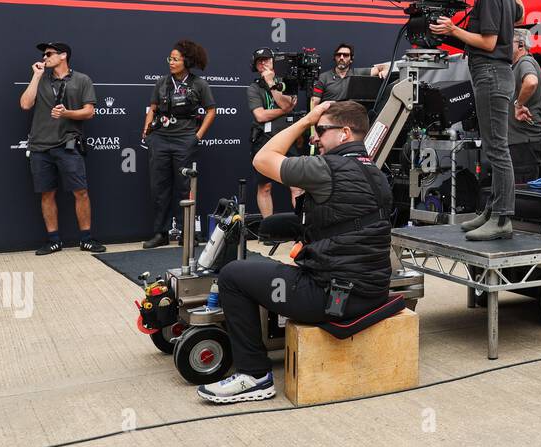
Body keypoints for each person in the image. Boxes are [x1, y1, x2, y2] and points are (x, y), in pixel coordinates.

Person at [199, 100, 392, 403]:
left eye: (320, 130)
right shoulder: (375, 173)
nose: (315, 137)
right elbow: (346, 224)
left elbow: (262, 159)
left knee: (233, 275)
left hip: (331, 297)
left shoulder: (325, 167)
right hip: (370, 290)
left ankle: (255, 375)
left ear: (344, 133)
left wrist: (304, 120)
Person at [429, 0, 523, 240]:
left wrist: (454, 28)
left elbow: (489, 42)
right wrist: (448, 34)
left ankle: (502, 218)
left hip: (492, 75)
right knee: (493, 149)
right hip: (489, 73)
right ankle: (492, 210)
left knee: (497, 149)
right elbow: (508, 22)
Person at [20, 42, 105, 255]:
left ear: (63, 55)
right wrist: (36, 76)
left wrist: (66, 113)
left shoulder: (82, 80)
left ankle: (86, 239)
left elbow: (89, 112)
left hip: (68, 144)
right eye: (43, 54)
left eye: (49, 54)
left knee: (81, 192)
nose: (45, 57)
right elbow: (25, 104)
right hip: (40, 146)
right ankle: (53, 240)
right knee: (47, 194)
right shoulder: (41, 79)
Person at [142, 40, 215, 249]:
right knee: (159, 188)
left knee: (185, 188)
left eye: (175, 59)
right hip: (160, 140)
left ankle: (187, 233)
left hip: (185, 140)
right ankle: (160, 233)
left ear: (187, 61)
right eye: (170, 59)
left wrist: (197, 136)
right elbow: (153, 108)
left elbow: (211, 110)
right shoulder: (162, 82)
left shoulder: (199, 84)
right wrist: (147, 131)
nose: (171, 62)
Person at [247, 48, 300, 218]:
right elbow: (260, 115)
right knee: (265, 186)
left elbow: (286, 102)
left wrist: (271, 83)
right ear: (255, 65)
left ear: (274, 61)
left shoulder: (287, 82)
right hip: (264, 139)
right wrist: (285, 111)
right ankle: (268, 229)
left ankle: (303, 229)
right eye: (259, 61)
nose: (263, 63)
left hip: (288, 138)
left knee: (297, 186)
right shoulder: (253, 88)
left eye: (267, 60)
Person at [309, 43, 365, 149]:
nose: (342, 58)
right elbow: (314, 104)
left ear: (351, 59)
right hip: (329, 124)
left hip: (350, 123)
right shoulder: (324, 77)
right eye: (339, 55)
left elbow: (382, 68)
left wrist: (383, 71)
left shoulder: (357, 73)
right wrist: (314, 131)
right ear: (335, 57)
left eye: (345, 55)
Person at [509, 29, 541, 183]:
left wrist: (519, 104)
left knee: (522, 193)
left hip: (524, 143)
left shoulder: (525, 62)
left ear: (520, 45)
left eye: (506, 42)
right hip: (520, 142)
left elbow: (531, 81)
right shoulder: (517, 65)